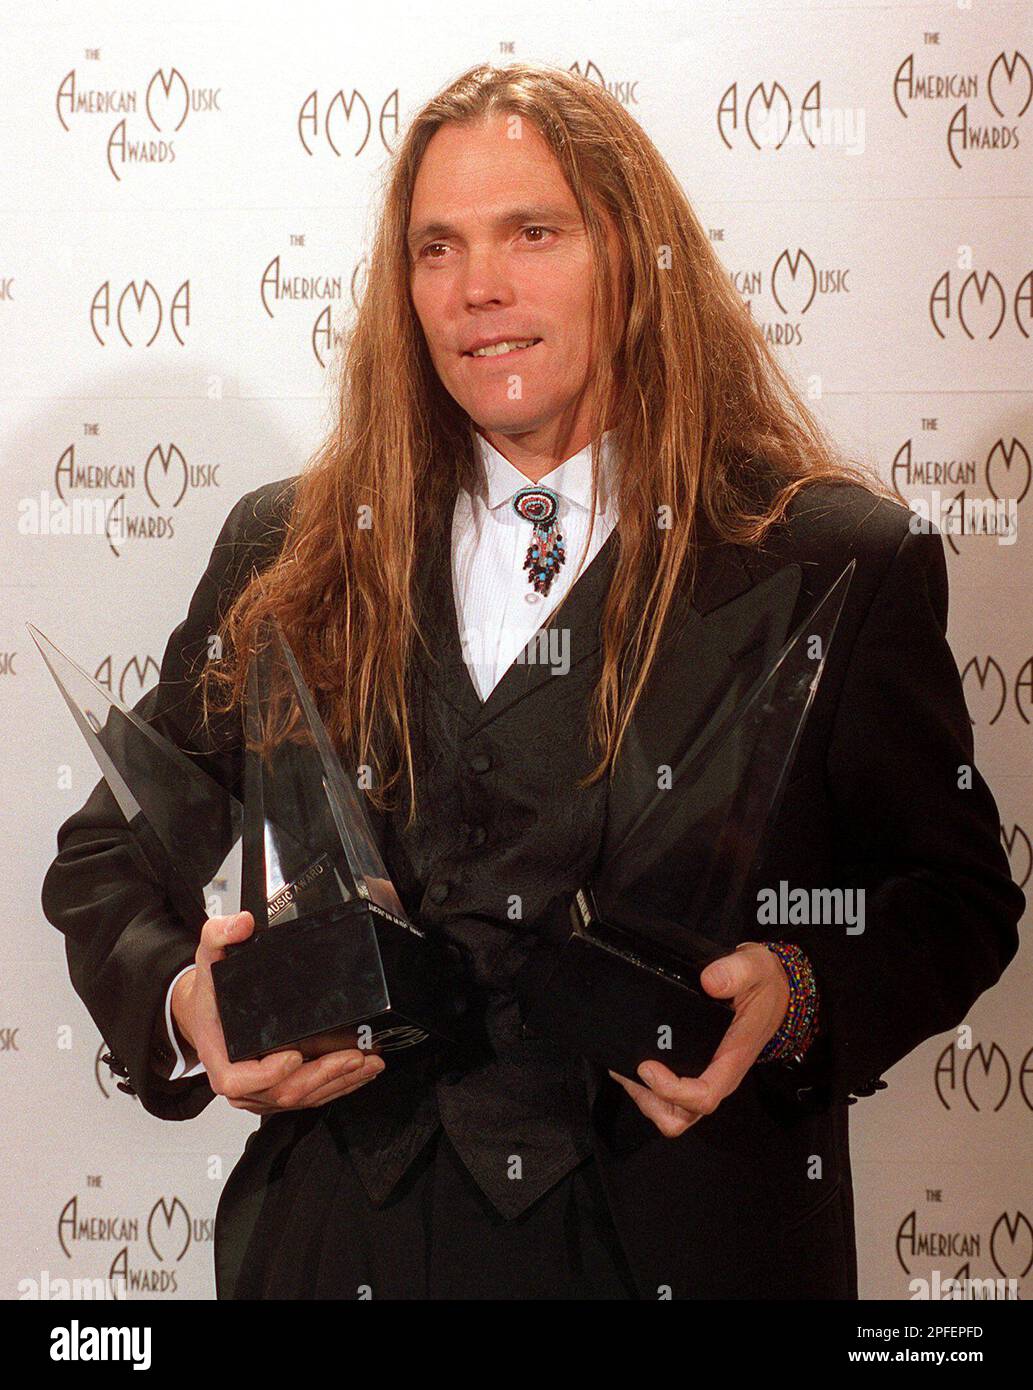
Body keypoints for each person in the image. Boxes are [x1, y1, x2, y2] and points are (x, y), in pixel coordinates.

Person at [41, 62, 1024, 1300]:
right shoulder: (287, 544)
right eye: (436, 248)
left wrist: (806, 992)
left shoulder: (833, 561)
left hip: (681, 1245)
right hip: (339, 1248)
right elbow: (105, 852)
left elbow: (954, 898)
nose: (478, 289)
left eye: (533, 233)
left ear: (635, 259)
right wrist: (194, 1006)